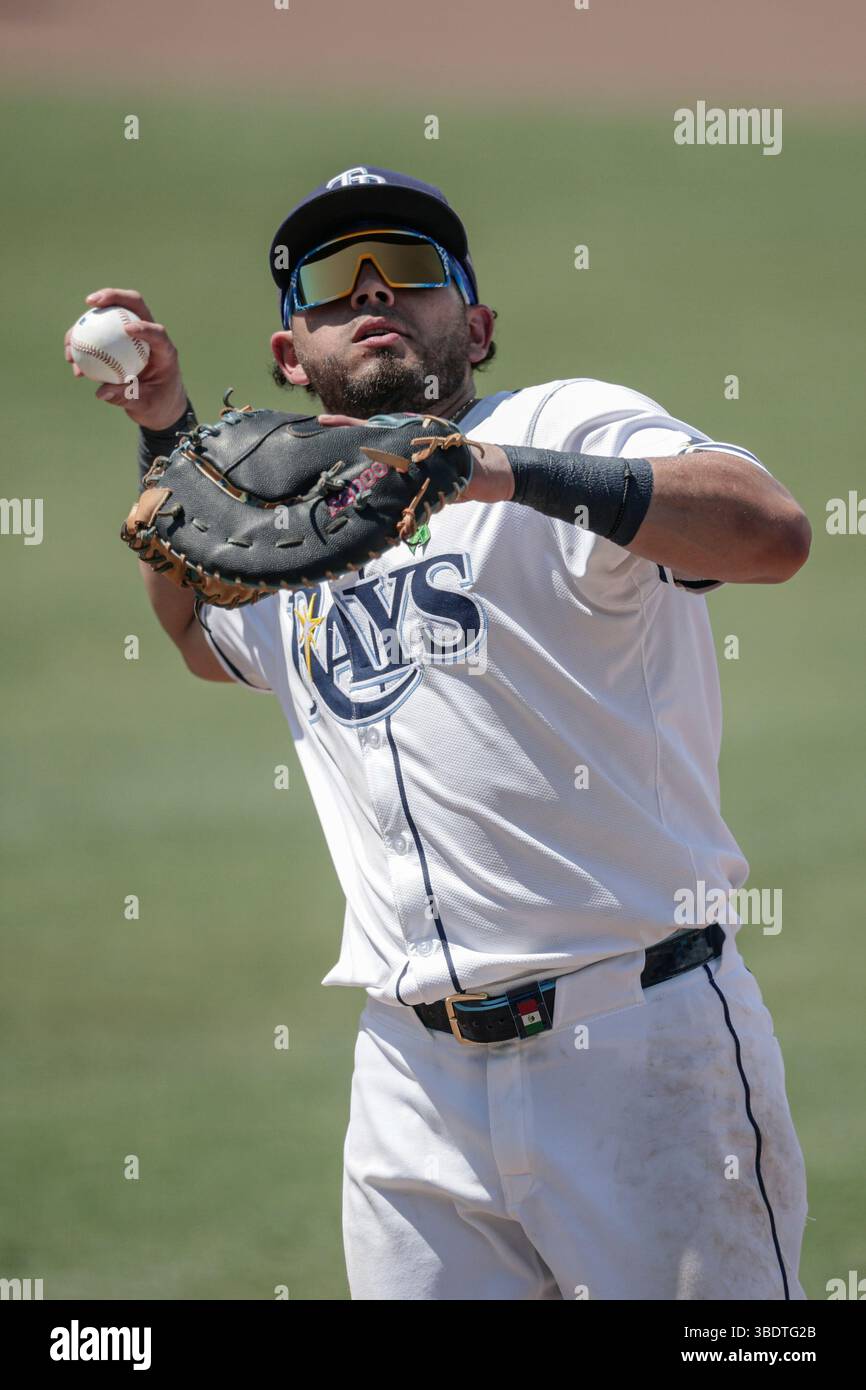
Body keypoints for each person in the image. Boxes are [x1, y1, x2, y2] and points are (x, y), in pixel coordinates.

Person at [66, 165, 811, 1301]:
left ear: (474, 324)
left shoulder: (558, 420)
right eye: (330, 280)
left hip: (641, 1050)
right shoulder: (297, 514)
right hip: (408, 1083)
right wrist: (166, 430)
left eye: (410, 270)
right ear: (288, 356)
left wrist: (485, 471)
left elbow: (768, 530)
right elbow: (194, 620)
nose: (372, 290)